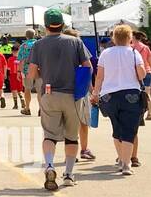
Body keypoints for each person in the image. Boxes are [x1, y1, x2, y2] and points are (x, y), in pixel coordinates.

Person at [28, 9, 91, 190]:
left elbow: (32, 73)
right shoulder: (75, 42)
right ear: (63, 24)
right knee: (72, 136)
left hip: (49, 93)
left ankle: (49, 165)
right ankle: (69, 174)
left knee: (49, 135)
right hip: (72, 95)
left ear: (45, 26)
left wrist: (44, 74)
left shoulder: (38, 45)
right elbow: (87, 68)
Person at [91, 24, 146, 177]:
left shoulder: (106, 53)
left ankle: (122, 159)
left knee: (117, 128)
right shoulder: (134, 53)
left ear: (113, 38)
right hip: (131, 95)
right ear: (130, 38)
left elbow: (99, 76)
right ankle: (127, 164)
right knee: (129, 130)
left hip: (109, 96)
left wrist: (95, 93)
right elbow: (141, 75)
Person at [61, 27, 95, 162]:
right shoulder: (79, 46)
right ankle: (84, 149)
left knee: (68, 123)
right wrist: (91, 88)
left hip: (63, 89)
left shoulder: (59, 49)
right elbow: (89, 68)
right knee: (83, 122)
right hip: (80, 88)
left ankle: (69, 154)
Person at [128, 29, 151, 170]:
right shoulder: (146, 48)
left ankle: (125, 154)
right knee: (147, 94)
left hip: (133, 78)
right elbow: (148, 61)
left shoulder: (131, 49)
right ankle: (148, 112)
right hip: (147, 73)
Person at [17, 30, 38, 114]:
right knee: (39, 90)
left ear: (26, 36)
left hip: (27, 70)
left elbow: (21, 60)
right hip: (39, 69)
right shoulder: (39, 44)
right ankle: (40, 109)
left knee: (27, 89)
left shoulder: (23, 45)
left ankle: (27, 108)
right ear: (35, 35)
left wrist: (19, 72)